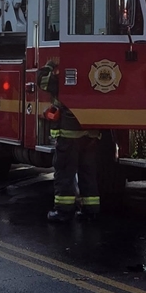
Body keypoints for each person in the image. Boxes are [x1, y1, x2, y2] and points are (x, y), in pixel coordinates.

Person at [37, 59, 101, 223]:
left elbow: (42, 81)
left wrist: (51, 65)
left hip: (69, 134)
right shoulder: (95, 71)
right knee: (88, 172)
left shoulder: (64, 75)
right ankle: (91, 210)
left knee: (65, 172)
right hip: (91, 133)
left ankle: (63, 212)